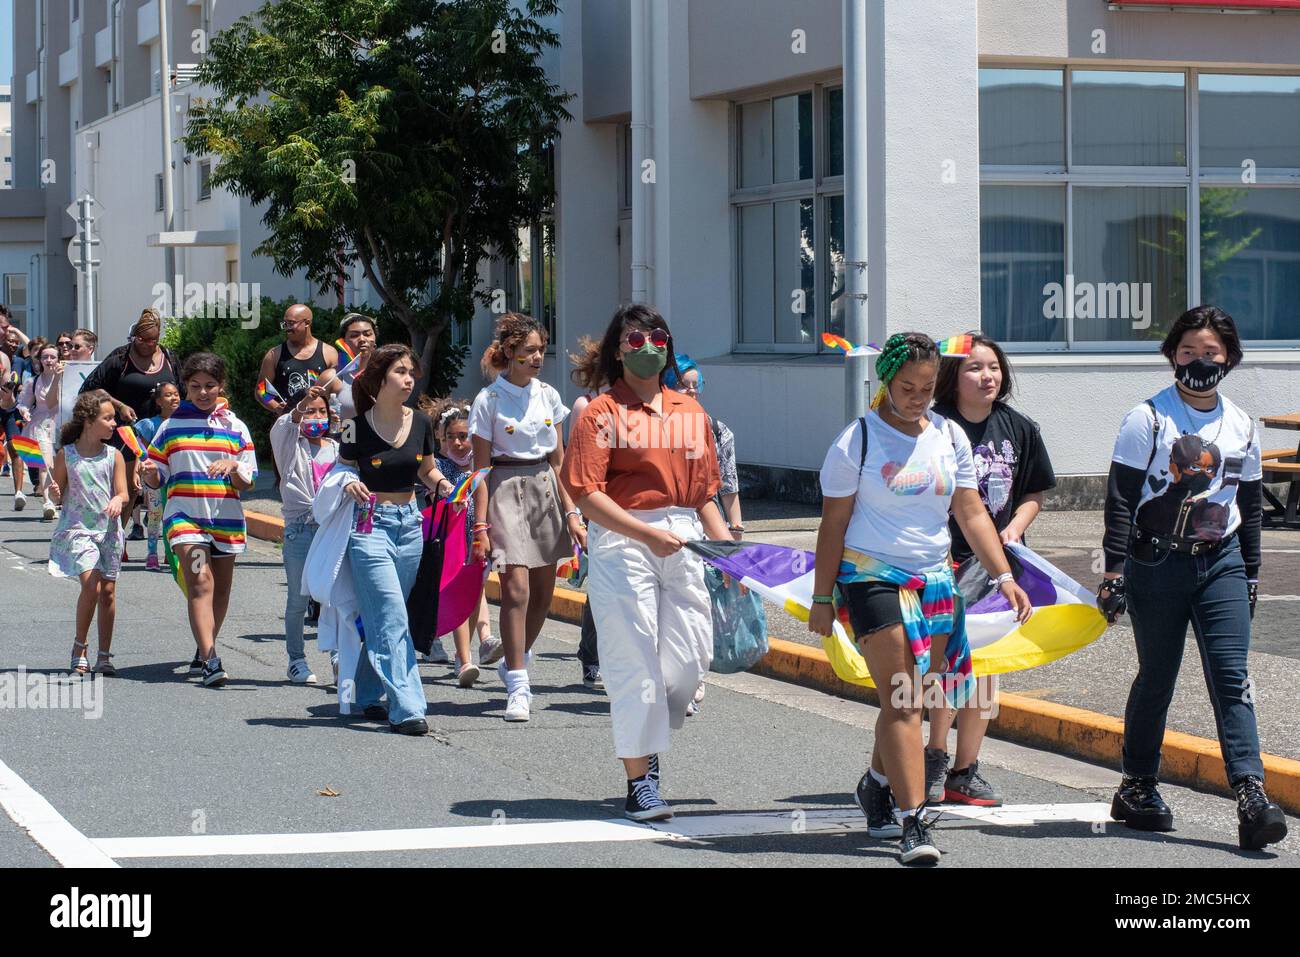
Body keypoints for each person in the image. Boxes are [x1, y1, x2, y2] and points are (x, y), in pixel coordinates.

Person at [807, 332, 1032, 866]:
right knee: (905, 697)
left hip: (935, 579)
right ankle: (913, 822)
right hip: (871, 578)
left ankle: (876, 781)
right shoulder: (856, 440)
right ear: (885, 382)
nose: (918, 397)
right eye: (907, 386)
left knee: (921, 695)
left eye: (928, 387)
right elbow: (832, 525)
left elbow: (972, 513)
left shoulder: (949, 436)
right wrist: (821, 596)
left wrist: (1004, 578)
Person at [1099, 305, 1286, 852]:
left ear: (1228, 357)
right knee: (1157, 675)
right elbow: (1120, 500)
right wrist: (1113, 571)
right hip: (1155, 563)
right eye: (1188, 352)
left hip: (1221, 561)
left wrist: (1251, 573)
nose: (1199, 362)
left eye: (1210, 353)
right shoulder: (1148, 418)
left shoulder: (1241, 423)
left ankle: (1251, 794)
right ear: (1171, 356)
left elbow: (1249, 505)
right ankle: (1137, 785)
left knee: (1232, 677)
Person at [561, 303, 729, 822]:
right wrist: (644, 533)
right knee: (633, 664)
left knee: (686, 667)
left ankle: (649, 736)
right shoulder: (601, 413)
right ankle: (641, 782)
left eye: (657, 337)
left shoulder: (691, 413)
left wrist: (731, 560)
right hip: (623, 540)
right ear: (618, 350)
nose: (649, 346)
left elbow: (705, 494)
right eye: (635, 340)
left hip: (685, 538)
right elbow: (586, 494)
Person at [926, 333, 1056, 807]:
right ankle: (934, 757)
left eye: (994, 367)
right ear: (952, 377)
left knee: (986, 669)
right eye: (975, 368)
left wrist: (1015, 530)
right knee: (948, 667)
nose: (988, 376)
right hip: (946, 564)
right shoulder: (934, 428)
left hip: (1000, 567)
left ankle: (966, 769)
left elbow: (1034, 492)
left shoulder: (1021, 428)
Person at [470, 313, 585, 723]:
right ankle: (519, 684)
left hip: (545, 488)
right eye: (529, 351)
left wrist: (573, 512)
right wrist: (479, 525)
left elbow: (561, 459)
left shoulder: (550, 396)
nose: (537, 357)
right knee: (515, 588)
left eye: (541, 349)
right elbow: (480, 469)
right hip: (503, 487)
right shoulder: (489, 401)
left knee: (542, 592)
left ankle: (515, 656)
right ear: (509, 353)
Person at [338, 344, 458, 736]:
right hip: (368, 526)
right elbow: (338, 472)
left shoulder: (421, 423)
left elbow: (426, 471)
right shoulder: (354, 425)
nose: (409, 380)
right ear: (380, 378)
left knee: (388, 614)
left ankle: (369, 691)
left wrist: (443, 485)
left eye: (411, 373)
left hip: (410, 525)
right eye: (400, 372)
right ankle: (407, 706)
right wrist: (350, 481)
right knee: (390, 612)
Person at [139, 353, 258, 688]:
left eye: (209, 386)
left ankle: (204, 647)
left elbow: (248, 480)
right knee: (200, 583)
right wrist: (149, 473)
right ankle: (210, 658)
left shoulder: (235, 427)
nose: (203, 392)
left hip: (226, 519)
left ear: (220, 386)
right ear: (185, 388)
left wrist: (234, 468)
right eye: (195, 386)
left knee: (219, 591)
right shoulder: (170, 425)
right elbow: (156, 477)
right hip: (184, 519)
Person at [663, 353, 744, 716]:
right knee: (665, 613)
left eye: (697, 385)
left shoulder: (713, 428)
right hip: (656, 531)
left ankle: (693, 678)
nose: (692, 391)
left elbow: (722, 487)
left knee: (697, 607)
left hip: (700, 527)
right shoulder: (649, 427)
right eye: (684, 384)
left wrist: (733, 539)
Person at [81, 309, 181, 549]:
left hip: (163, 433)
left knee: (170, 489)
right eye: (142, 339)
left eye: (153, 340)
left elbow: (184, 392)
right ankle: (115, 541)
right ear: (133, 337)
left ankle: (171, 546)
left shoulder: (169, 357)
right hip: (128, 435)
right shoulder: (120, 359)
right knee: (128, 491)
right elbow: (88, 389)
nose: (147, 344)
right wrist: (118, 405)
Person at [47, 391, 128, 675]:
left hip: (108, 531)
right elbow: (55, 494)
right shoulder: (66, 455)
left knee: (107, 592)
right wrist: (54, 492)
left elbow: (123, 493)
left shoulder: (113, 456)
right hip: (78, 529)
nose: (114, 423)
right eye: (108, 418)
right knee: (91, 585)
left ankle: (104, 655)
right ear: (88, 421)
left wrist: (118, 500)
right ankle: (79, 646)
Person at [430, 397, 502, 684]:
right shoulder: (439, 467)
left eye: (464, 437)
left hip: (478, 538)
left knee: (473, 595)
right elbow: (431, 495)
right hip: (450, 541)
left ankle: (472, 647)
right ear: (443, 439)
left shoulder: (481, 468)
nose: (458, 443)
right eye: (452, 437)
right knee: (461, 596)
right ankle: (465, 660)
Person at [271, 386, 339, 685]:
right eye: (310, 411)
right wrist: (299, 407)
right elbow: (285, 424)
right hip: (300, 529)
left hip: (331, 531)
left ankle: (339, 654)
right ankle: (296, 660)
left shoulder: (336, 448)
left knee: (335, 598)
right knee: (299, 600)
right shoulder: (289, 443)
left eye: (321, 411)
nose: (316, 416)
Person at [568, 338, 607, 692]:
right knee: (601, 584)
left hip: (632, 506)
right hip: (598, 506)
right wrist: (578, 515)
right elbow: (576, 462)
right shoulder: (587, 405)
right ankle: (591, 656)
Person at [5, 338, 62, 519]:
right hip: (42, 424)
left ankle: (61, 500)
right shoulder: (33, 382)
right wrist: (25, 412)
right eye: (45, 357)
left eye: (53, 357)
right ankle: (48, 503)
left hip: (63, 424)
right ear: (39, 359)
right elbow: (23, 403)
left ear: (59, 359)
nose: (49, 360)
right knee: (45, 464)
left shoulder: (67, 378)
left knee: (61, 465)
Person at [131, 382, 182, 571]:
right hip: (155, 476)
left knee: (174, 516)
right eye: (168, 395)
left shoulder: (184, 422)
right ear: (159, 401)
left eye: (176, 394)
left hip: (177, 477)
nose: (174, 398)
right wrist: (138, 471)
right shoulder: (150, 424)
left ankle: (171, 552)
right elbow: (140, 451)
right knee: (154, 514)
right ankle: (152, 553)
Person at [256, 303, 338, 415]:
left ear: (307, 323)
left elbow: (338, 388)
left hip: (319, 422)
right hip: (288, 423)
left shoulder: (329, 352)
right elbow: (261, 390)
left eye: (291, 323)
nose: (287, 328)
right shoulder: (275, 354)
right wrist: (276, 407)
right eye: (285, 324)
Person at [326, 312, 378, 420]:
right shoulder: (333, 377)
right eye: (354, 335)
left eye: (367, 334)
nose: (362, 339)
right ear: (343, 342)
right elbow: (312, 414)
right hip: (344, 436)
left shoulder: (387, 373)